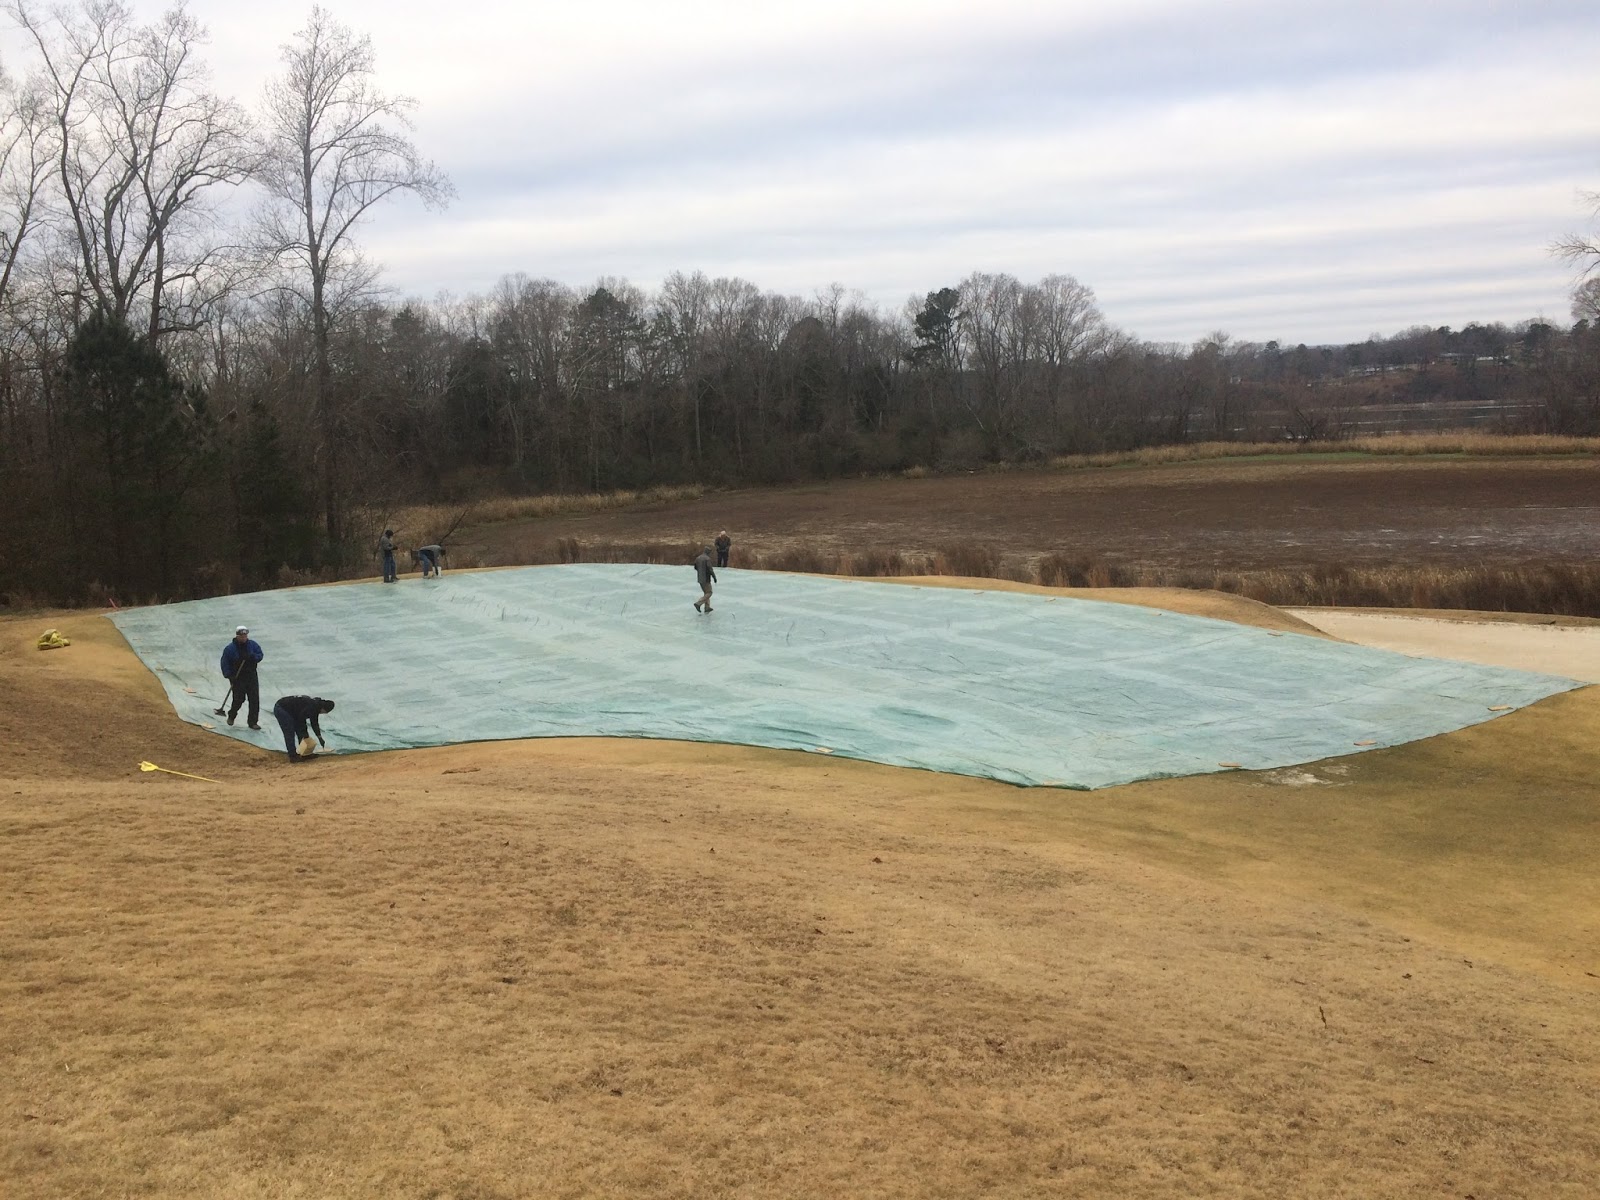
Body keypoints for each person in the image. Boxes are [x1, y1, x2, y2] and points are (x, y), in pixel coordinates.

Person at [220, 625, 265, 729]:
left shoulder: (253, 645)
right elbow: (225, 663)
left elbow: (260, 655)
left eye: (245, 636)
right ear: (237, 636)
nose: (244, 638)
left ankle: (253, 722)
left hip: (251, 675)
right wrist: (229, 675)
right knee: (239, 699)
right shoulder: (230, 649)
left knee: (254, 699)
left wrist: (253, 657)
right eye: (241, 636)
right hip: (238, 676)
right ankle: (232, 715)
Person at [272, 695, 335, 762]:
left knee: (302, 731)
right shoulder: (312, 707)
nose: (322, 713)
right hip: (282, 709)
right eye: (324, 712)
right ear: (323, 708)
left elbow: (314, 724)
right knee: (289, 732)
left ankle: (305, 753)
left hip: (294, 712)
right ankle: (292, 756)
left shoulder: (316, 706)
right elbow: (302, 720)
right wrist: (305, 732)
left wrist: (319, 737)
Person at [693, 546, 717, 613]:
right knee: (709, 592)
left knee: (706, 593)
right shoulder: (707, 559)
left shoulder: (698, 558)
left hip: (700, 578)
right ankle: (698, 603)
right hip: (706, 579)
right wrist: (714, 577)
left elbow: (695, 567)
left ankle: (707, 607)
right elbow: (710, 569)